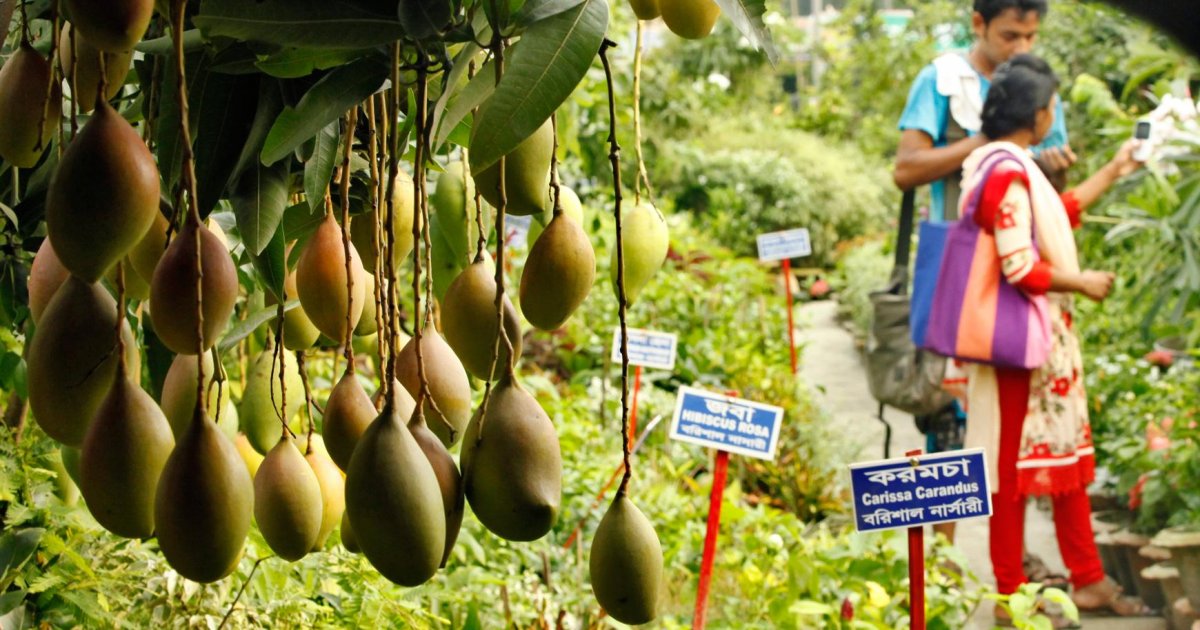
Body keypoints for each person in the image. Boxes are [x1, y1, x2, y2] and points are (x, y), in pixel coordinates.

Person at [961, 54, 1147, 624]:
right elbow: (1022, 266)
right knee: (1013, 475)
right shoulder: (1009, 173)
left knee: (1061, 462)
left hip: (1034, 348)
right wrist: (1083, 282)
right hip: (1023, 350)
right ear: (1038, 116)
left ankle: (1086, 578)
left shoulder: (994, 164)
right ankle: (1010, 593)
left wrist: (1114, 170)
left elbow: (1056, 218)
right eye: (1053, 107)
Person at [893, 0, 1071, 559]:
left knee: (1015, 431)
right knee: (949, 420)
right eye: (1009, 35)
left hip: (1020, 279)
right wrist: (990, 142)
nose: (1022, 48)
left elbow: (1050, 175)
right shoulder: (942, 80)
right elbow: (905, 169)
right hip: (958, 275)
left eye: (1031, 36)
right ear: (978, 25)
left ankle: (1008, 571)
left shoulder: (1038, 87)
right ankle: (943, 570)